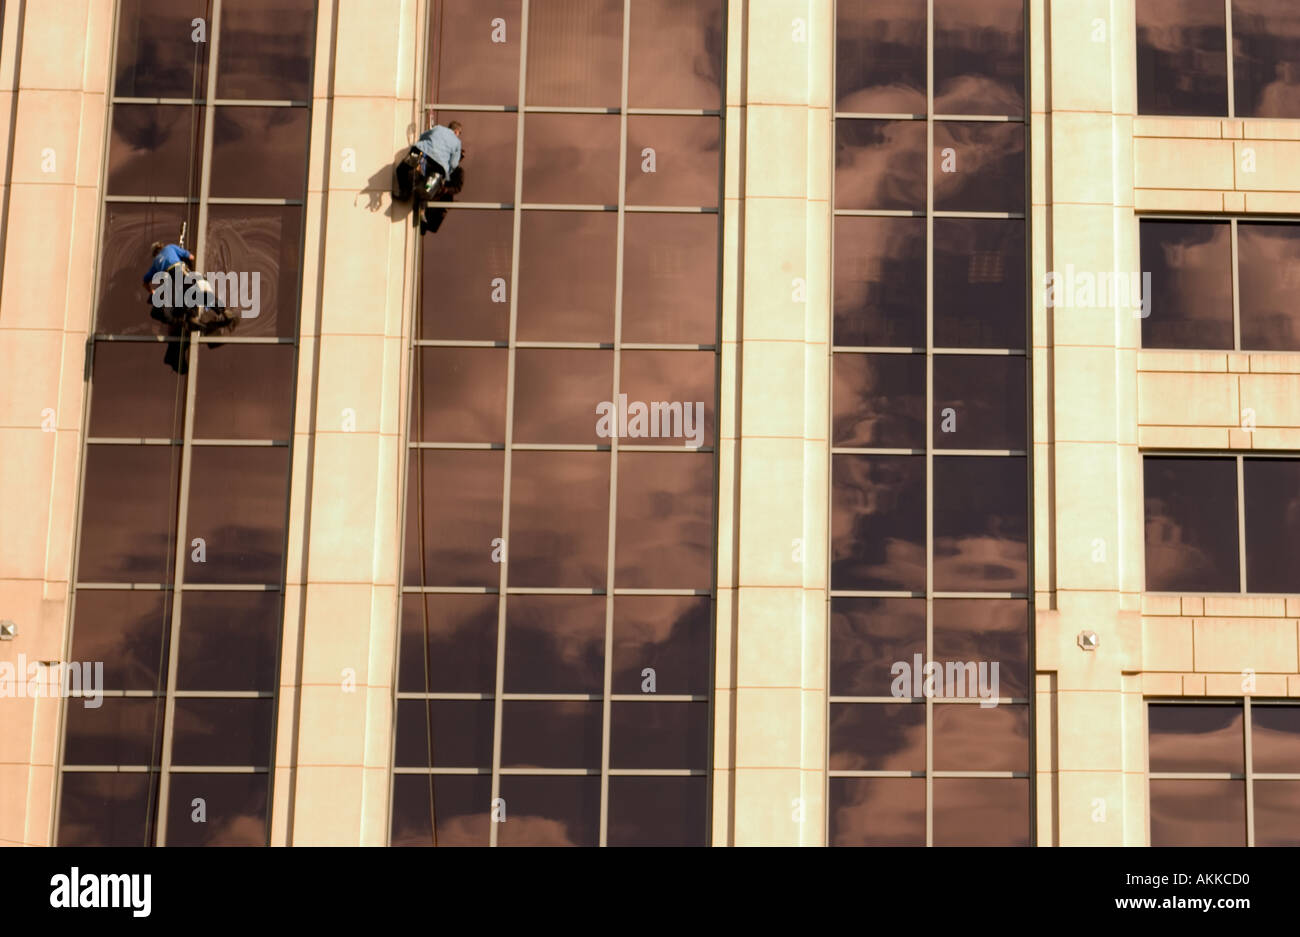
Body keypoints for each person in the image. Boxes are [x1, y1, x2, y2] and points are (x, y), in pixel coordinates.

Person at [411, 120, 463, 199]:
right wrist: (447, 175)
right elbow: (453, 164)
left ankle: (407, 190)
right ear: (456, 132)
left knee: (417, 170)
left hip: (421, 155)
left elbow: (422, 136)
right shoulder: (457, 142)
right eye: (459, 134)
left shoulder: (438, 128)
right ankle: (421, 193)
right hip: (437, 166)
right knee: (429, 187)